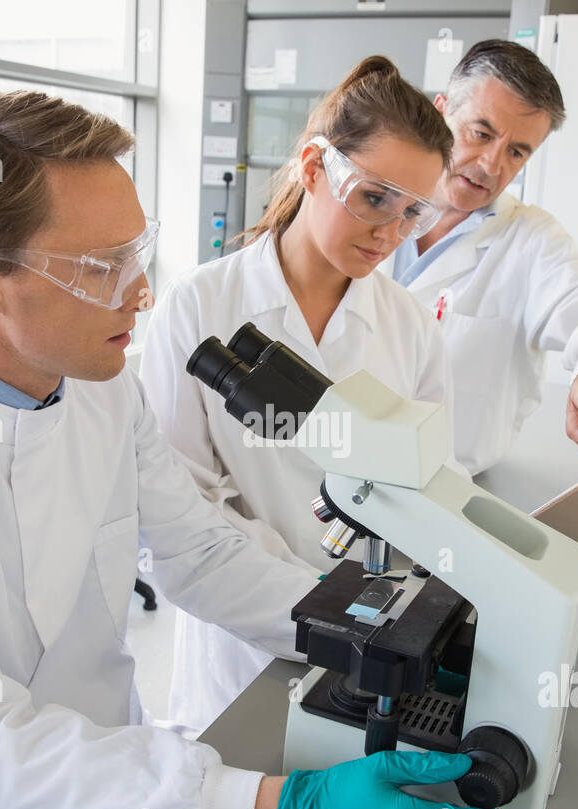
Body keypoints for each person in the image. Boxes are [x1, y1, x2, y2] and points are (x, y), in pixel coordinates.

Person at [0, 90, 495, 809]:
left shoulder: (106, 389)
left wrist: (379, 632)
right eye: (100, 267)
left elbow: (199, 553)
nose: (141, 292)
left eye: (136, 252)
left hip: (122, 803)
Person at [139, 57, 456, 737]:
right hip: (242, 636)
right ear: (314, 168)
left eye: (413, 213)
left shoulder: (407, 324)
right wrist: (315, 601)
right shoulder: (199, 306)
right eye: (374, 198)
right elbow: (174, 511)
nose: (390, 234)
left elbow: (432, 482)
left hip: (378, 627)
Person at [388, 39, 578, 476]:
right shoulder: (375, 203)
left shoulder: (531, 239)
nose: (492, 166)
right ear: (440, 111)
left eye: (517, 152)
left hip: (446, 485)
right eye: (481, 133)